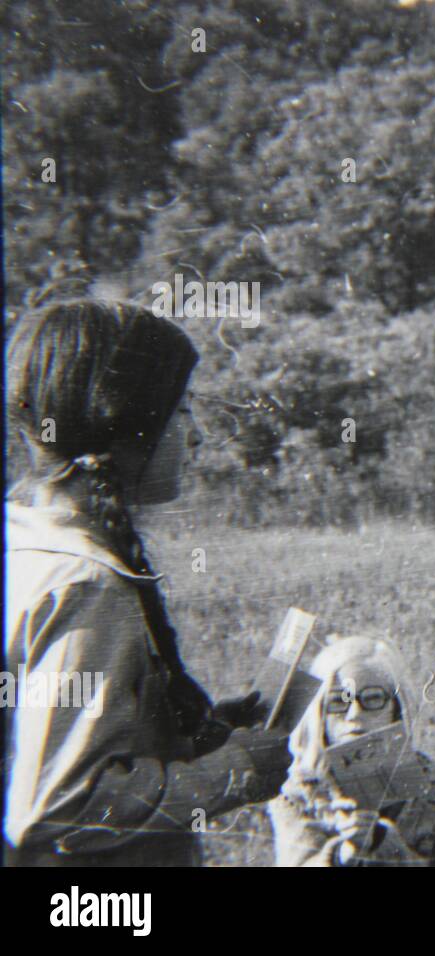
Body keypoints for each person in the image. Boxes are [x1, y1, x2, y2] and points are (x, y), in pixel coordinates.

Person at [5, 299, 291, 866]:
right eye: (180, 411)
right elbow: (64, 807)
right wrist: (235, 772)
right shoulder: (87, 585)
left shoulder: (28, 541)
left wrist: (186, 734)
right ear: (125, 425)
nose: (198, 438)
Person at [270, 637, 435, 866]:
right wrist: (343, 854)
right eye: (338, 702)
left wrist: (382, 841)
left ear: (396, 709)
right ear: (319, 715)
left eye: (373, 698)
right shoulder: (298, 788)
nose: (354, 714)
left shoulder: (422, 774)